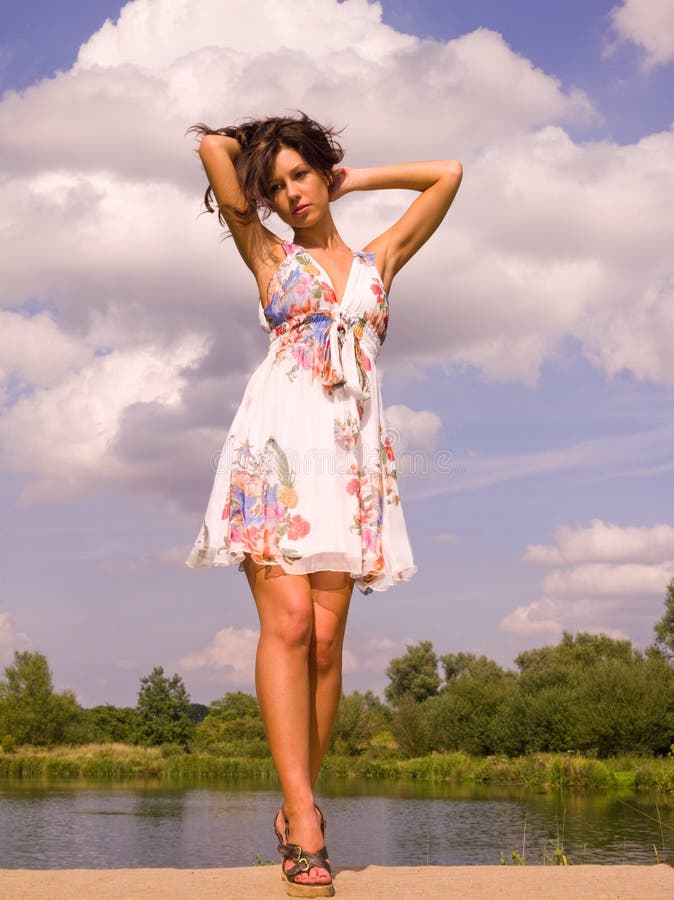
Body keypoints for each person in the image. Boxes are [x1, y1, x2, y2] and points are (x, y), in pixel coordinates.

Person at [185, 113, 462, 897]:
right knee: (291, 624)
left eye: (300, 176)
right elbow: (212, 148)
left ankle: (293, 801)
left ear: (323, 173)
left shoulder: (380, 260)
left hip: (345, 462)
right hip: (272, 454)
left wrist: (351, 177)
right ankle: (305, 819)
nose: (290, 194)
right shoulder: (268, 253)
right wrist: (263, 149)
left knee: (329, 644)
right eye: (274, 186)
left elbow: (448, 172)